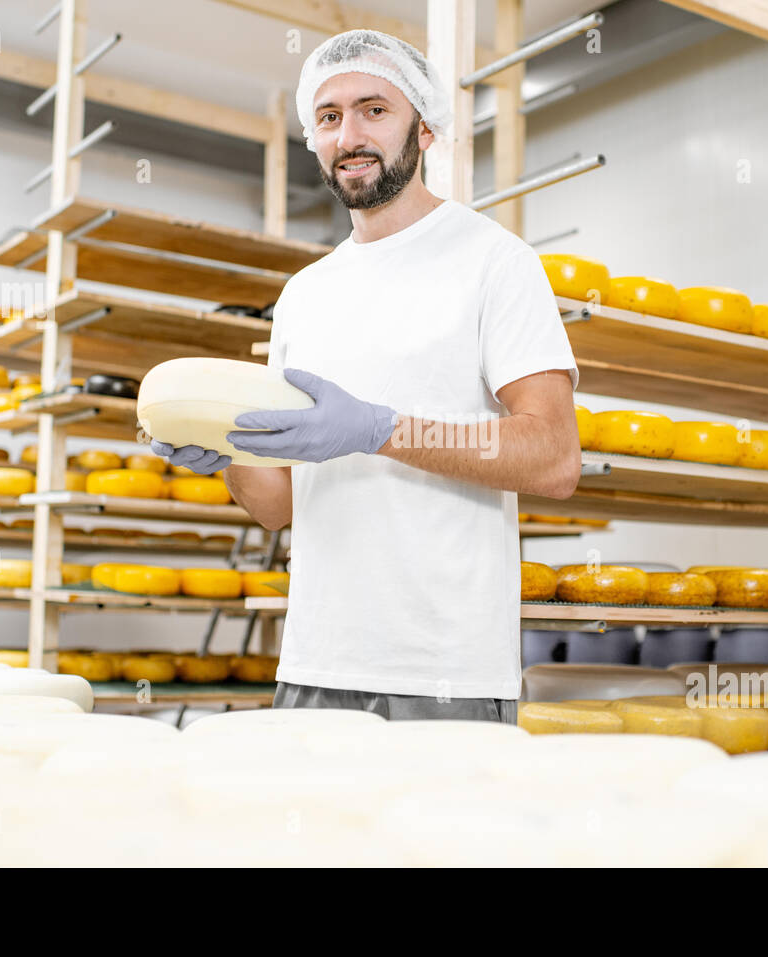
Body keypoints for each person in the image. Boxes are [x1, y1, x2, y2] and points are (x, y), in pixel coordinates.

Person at [150, 29, 580, 722]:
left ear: (426, 127)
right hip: (316, 663)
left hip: (447, 673)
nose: (349, 133)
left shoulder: (494, 261)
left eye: (374, 109)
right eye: (328, 116)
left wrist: (381, 429)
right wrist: (225, 454)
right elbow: (281, 504)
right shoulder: (303, 294)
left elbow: (556, 456)